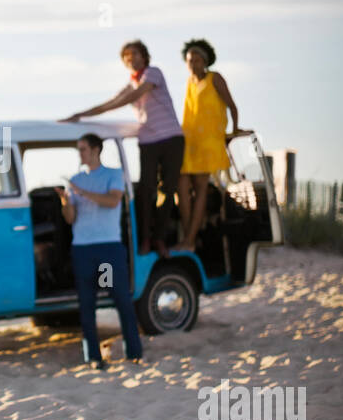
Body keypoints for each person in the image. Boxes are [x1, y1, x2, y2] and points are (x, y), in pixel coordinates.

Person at [64, 41, 184, 257]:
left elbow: (134, 96)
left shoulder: (153, 74)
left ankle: (160, 238)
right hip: (148, 140)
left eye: (135, 55)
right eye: (128, 58)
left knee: (167, 190)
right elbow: (109, 104)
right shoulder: (131, 85)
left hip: (171, 138)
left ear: (144, 56)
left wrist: (119, 101)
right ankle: (146, 239)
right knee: (146, 190)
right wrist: (80, 115)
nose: (132, 60)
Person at [57, 133, 143, 368]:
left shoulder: (113, 175)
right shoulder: (75, 180)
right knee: (87, 304)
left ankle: (133, 353)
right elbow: (70, 219)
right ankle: (94, 358)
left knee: (119, 298)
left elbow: (113, 201)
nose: (80, 153)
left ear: (96, 150)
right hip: (82, 249)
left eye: (83, 149)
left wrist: (81, 192)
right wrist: (66, 201)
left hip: (107, 249)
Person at [176, 39, 249, 251]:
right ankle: (191, 235)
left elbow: (231, 106)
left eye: (197, 59)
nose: (193, 63)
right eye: (190, 60)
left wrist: (234, 130)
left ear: (205, 61)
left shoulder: (214, 78)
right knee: (181, 186)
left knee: (200, 188)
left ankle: (189, 240)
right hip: (189, 142)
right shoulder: (190, 82)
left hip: (209, 142)